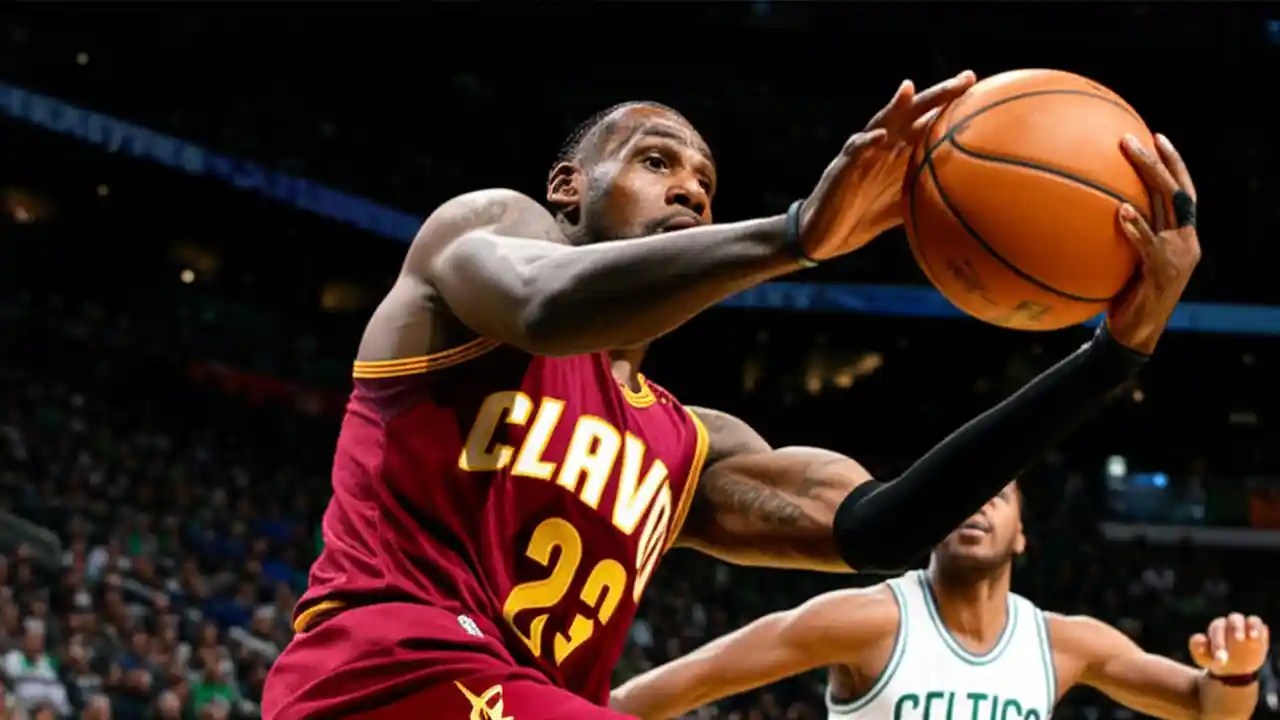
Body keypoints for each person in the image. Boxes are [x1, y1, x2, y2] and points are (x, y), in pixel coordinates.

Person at [262, 68, 1203, 719]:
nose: (690, 194)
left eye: (707, 187)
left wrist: (1114, 356)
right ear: (567, 187)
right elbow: (546, 308)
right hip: (380, 677)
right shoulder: (482, 239)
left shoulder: (692, 445)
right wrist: (795, 234)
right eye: (657, 162)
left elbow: (881, 527)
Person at [610, 482, 1269, 720]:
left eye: (997, 494)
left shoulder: (1064, 643)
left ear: (1022, 535)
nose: (974, 504)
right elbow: (686, 683)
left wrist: (1237, 669)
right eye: (957, 494)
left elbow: (1208, 707)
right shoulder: (869, 621)